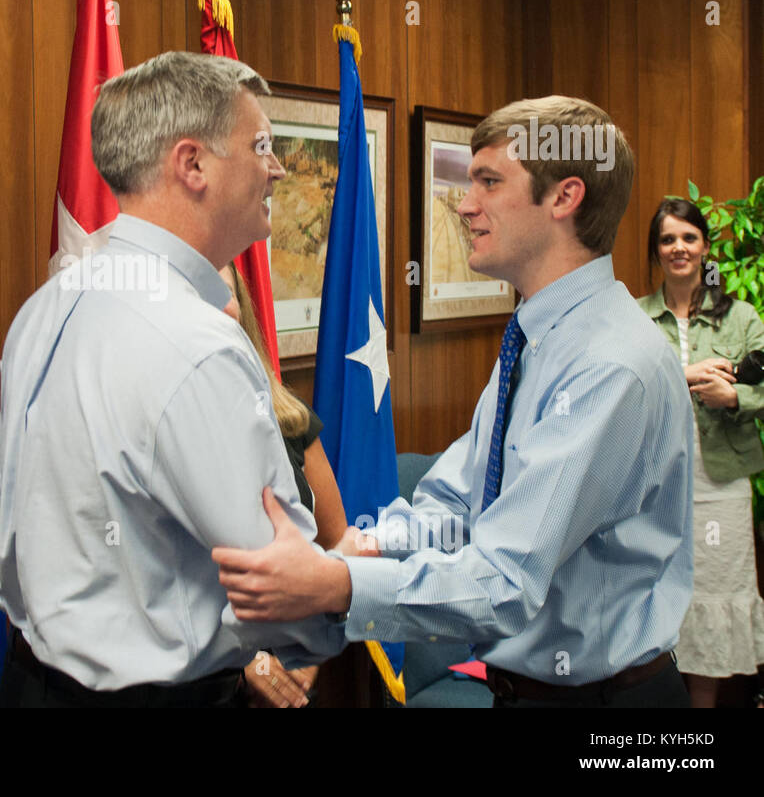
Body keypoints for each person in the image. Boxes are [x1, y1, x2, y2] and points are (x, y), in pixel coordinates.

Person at [214, 95, 696, 708]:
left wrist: (334, 583)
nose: (464, 204)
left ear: (564, 198)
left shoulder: (608, 366)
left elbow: (503, 582)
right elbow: (459, 503)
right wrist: (365, 545)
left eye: (489, 182)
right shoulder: (537, 334)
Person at [0, 51, 349, 707]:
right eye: (261, 145)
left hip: (31, 681)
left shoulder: (45, 307)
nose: (278, 167)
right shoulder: (200, 342)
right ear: (193, 164)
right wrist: (342, 608)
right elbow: (284, 595)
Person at [637, 198, 764, 707]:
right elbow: (625, 388)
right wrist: (682, 375)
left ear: (706, 247)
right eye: (668, 240)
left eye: (688, 238)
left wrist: (735, 397)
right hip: (654, 485)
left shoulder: (742, 317)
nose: (679, 248)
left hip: (721, 485)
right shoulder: (635, 317)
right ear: (656, 251)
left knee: (711, 593)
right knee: (659, 592)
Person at [219, 263, 349, 707]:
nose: (216, 308)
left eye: (225, 293)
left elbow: (338, 545)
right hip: (204, 682)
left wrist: (309, 645)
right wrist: (241, 660)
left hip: (294, 679)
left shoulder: (290, 420)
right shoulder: (160, 430)